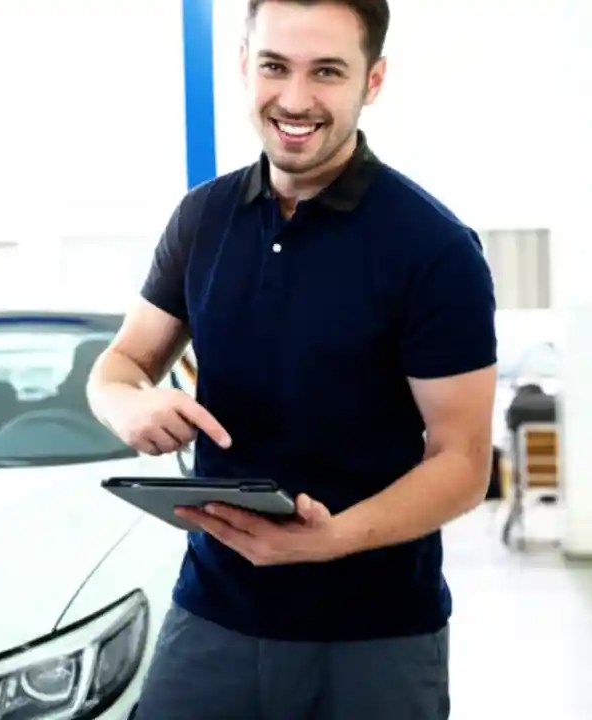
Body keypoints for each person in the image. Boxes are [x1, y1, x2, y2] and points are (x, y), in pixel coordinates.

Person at [85, 0, 497, 717]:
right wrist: (130, 403)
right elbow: (118, 365)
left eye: (327, 72)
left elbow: (463, 463)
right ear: (245, 65)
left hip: (377, 634)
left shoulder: (432, 248)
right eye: (275, 66)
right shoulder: (201, 219)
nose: (296, 99)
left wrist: (330, 541)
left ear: (372, 82)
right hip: (214, 611)